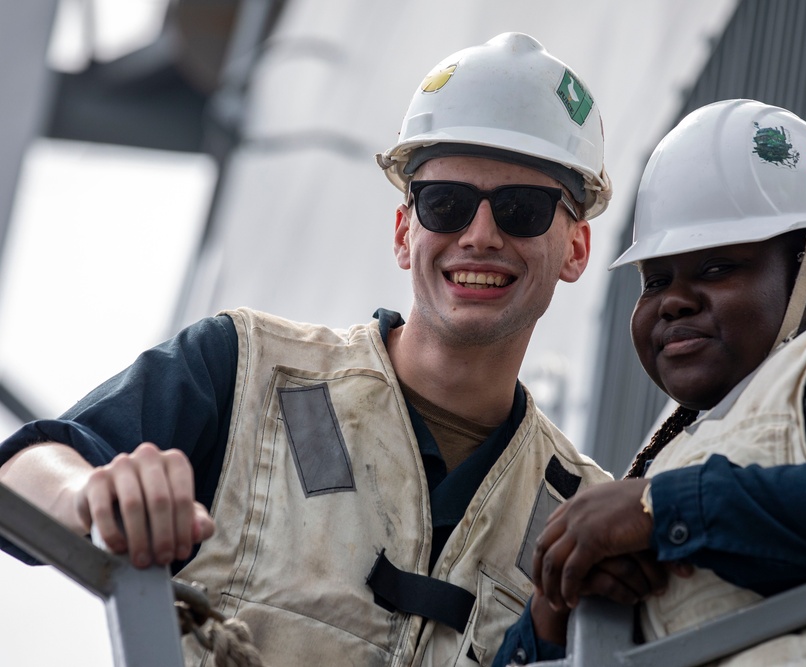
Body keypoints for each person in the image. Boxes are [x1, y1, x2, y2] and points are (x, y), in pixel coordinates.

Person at [0, 33, 665, 667]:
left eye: (520, 208)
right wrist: (93, 490)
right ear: (406, 232)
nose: (480, 234)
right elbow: (21, 476)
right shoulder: (245, 369)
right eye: (446, 203)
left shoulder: (587, 515)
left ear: (575, 247)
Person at [496, 99, 806, 665]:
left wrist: (670, 509)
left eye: (717, 268)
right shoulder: (664, 459)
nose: (674, 302)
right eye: (656, 280)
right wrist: (554, 611)